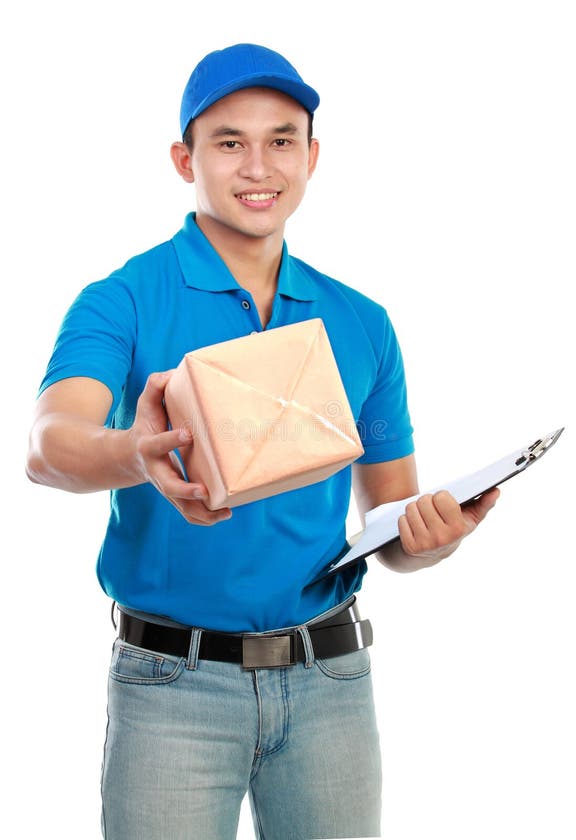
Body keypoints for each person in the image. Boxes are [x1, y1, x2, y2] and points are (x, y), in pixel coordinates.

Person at [26, 43, 498, 840]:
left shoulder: (361, 323)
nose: (259, 166)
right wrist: (132, 453)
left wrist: (431, 536)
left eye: (282, 140)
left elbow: (390, 519)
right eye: (229, 141)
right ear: (186, 159)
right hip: (171, 684)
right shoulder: (123, 299)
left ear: (312, 156)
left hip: (330, 681)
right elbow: (48, 444)